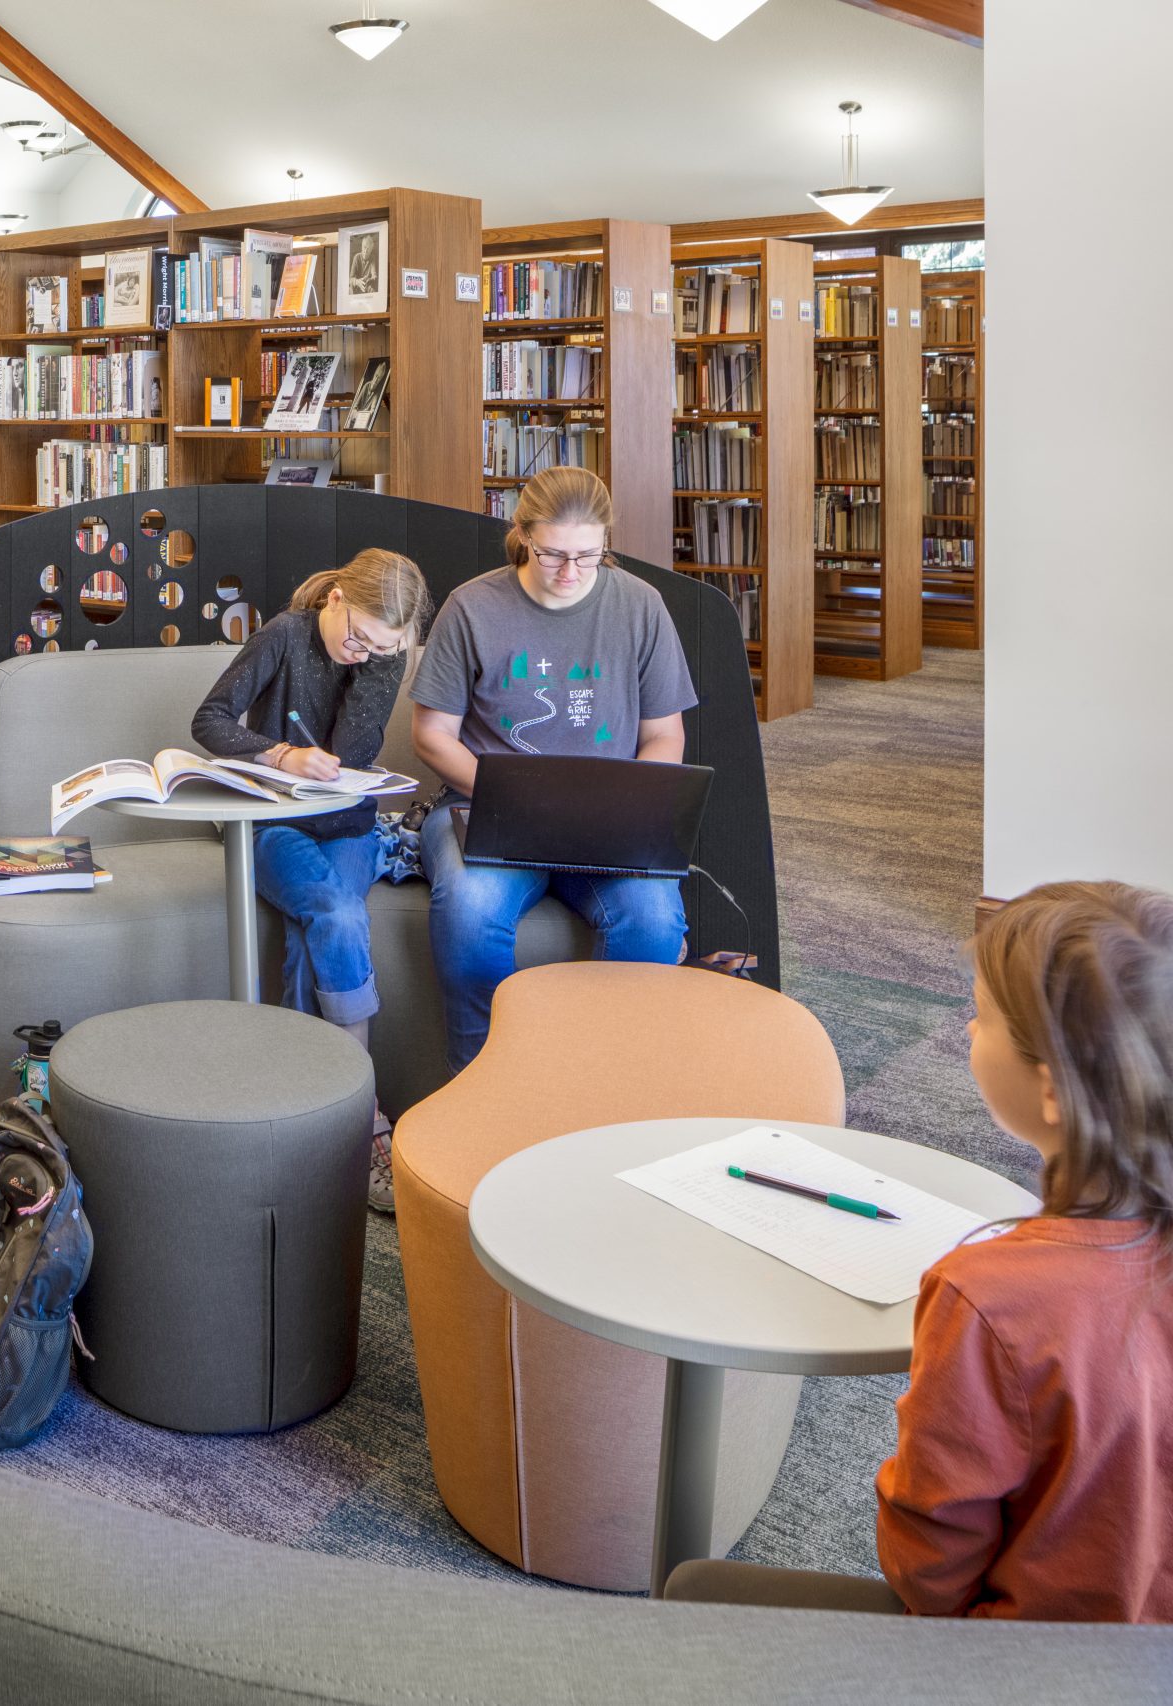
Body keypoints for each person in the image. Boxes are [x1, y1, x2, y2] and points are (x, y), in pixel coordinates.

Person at [668, 880, 1173, 1620]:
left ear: (1052, 1089)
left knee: (690, 1590)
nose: (967, 1028)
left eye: (983, 1014)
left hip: (1030, 1658)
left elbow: (929, 1563)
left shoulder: (991, 1296)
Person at [408, 466, 695, 1077]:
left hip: (605, 824)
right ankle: (484, 1084)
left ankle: (605, 1080)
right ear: (522, 536)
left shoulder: (641, 605)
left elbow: (664, 734)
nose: (570, 572)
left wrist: (631, 805)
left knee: (653, 921)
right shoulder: (472, 607)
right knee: (470, 910)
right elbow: (432, 736)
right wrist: (517, 800)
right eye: (553, 555)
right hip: (484, 809)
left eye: (589, 556)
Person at [191, 547, 430, 1211]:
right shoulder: (284, 634)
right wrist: (280, 753)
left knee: (309, 935)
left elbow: (351, 753)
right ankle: (363, 1110)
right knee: (339, 914)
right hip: (274, 825)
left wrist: (371, 665)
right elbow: (209, 719)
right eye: (356, 637)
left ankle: (305, 1116)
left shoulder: (380, 655)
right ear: (334, 599)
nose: (362, 652)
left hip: (348, 825)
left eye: (381, 647)